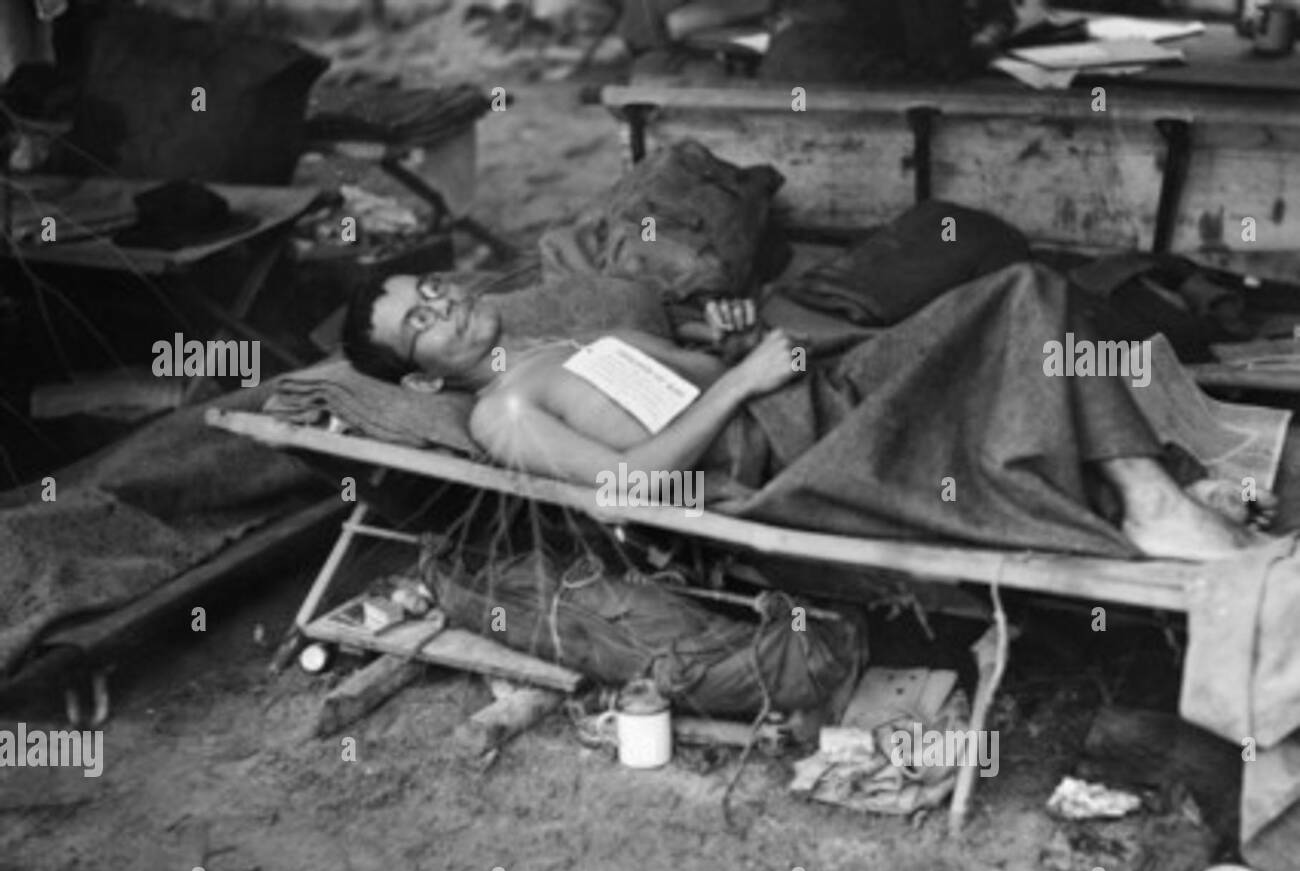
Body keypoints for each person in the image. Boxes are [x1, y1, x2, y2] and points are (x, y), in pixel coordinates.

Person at [342, 270, 1273, 562]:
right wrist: (738, 385)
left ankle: (1136, 491)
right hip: (799, 454)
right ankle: (1146, 501)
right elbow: (625, 491)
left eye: (434, 288)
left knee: (1026, 290)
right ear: (420, 379)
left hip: (816, 395)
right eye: (419, 323)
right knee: (1019, 304)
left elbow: (697, 372)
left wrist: (726, 342)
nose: (445, 306)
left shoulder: (550, 344)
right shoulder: (504, 410)